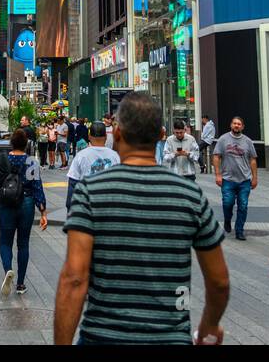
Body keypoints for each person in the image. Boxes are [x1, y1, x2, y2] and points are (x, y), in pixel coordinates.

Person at [54, 92, 230, 345]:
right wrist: (208, 326)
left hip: (102, 337)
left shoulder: (90, 192)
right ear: (161, 135)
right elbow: (219, 281)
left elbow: (74, 279)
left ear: (119, 134)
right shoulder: (189, 195)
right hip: (170, 338)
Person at [0, 129, 47, 297]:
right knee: (23, 244)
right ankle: (20, 284)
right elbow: (37, 187)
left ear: (11, 143)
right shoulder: (31, 162)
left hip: (6, 202)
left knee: (5, 242)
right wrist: (42, 211)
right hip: (26, 203)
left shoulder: (3, 158)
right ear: (26, 144)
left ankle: (8, 270)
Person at [212, 116, 259, 240]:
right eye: (234, 123)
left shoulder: (248, 141)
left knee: (243, 206)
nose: (236, 125)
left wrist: (254, 178)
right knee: (228, 203)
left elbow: (253, 160)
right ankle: (227, 219)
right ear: (231, 125)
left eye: (239, 124)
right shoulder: (223, 139)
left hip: (244, 180)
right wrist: (217, 175)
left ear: (242, 127)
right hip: (228, 179)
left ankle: (239, 231)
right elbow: (216, 156)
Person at [65, 121, 119, 208]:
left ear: (89, 137)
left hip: (87, 206)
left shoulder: (80, 156)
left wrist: (70, 207)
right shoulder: (115, 156)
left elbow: (73, 183)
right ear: (105, 137)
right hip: (110, 206)